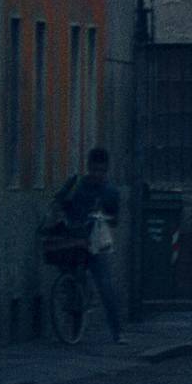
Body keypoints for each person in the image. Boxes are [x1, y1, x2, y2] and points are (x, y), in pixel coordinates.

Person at [54, 146, 123, 342]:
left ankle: (116, 332)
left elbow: (115, 220)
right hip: (74, 239)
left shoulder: (110, 192)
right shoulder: (76, 185)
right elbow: (60, 200)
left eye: (101, 171)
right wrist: (63, 214)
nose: (97, 174)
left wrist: (103, 218)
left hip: (94, 243)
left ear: (106, 170)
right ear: (89, 167)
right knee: (73, 280)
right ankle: (75, 329)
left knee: (106, 286)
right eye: (94, 170)